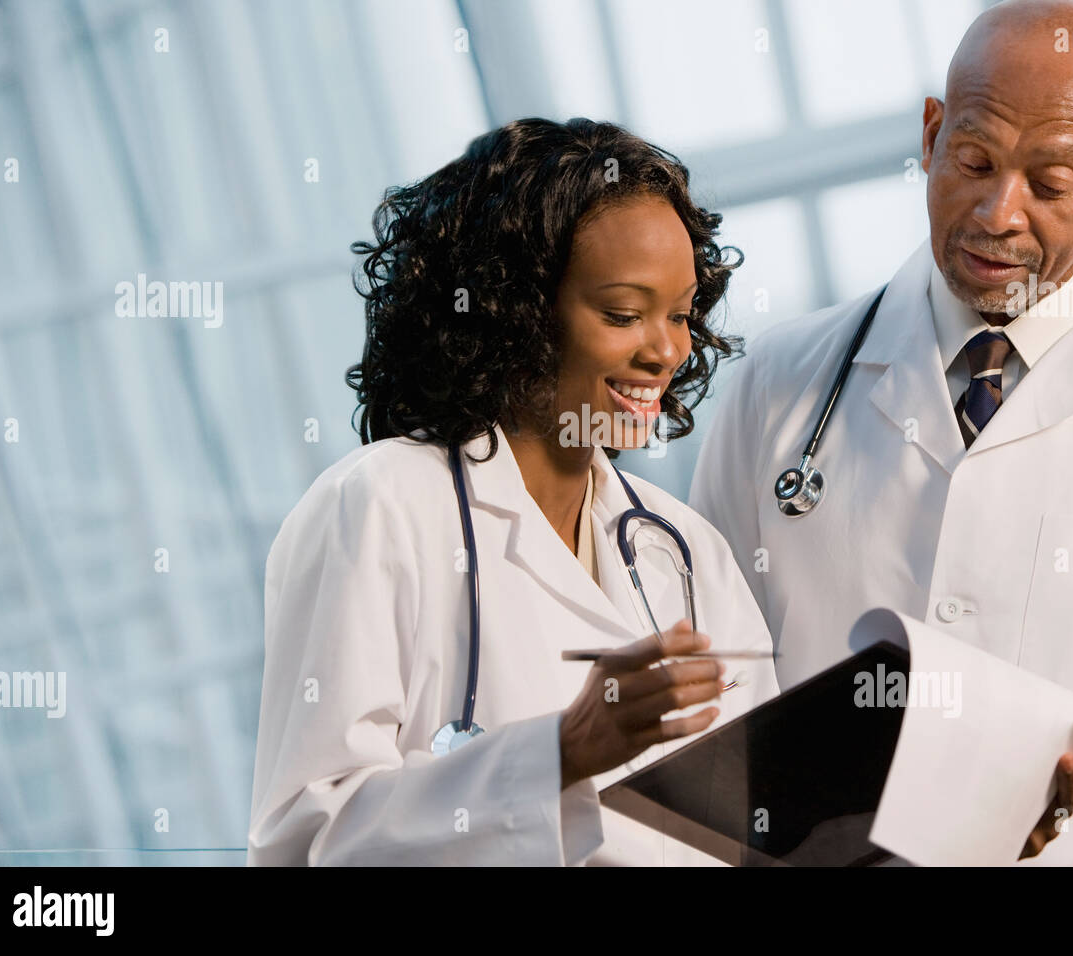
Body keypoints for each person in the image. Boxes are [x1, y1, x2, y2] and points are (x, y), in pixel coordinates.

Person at [690, 0, 1073, 865]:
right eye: (973, 159)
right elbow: (715, 713)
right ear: (929, 135)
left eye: (1052, 182)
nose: (999, 213)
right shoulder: (778, 385)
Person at [247, 117, 778, 866]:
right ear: (518, 311)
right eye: (624, 314)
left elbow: (763, 832)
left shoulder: (684, 550)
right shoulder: (382, 506)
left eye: (682, 315)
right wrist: (560, 752)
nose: (665, 351)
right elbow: (305, 841)